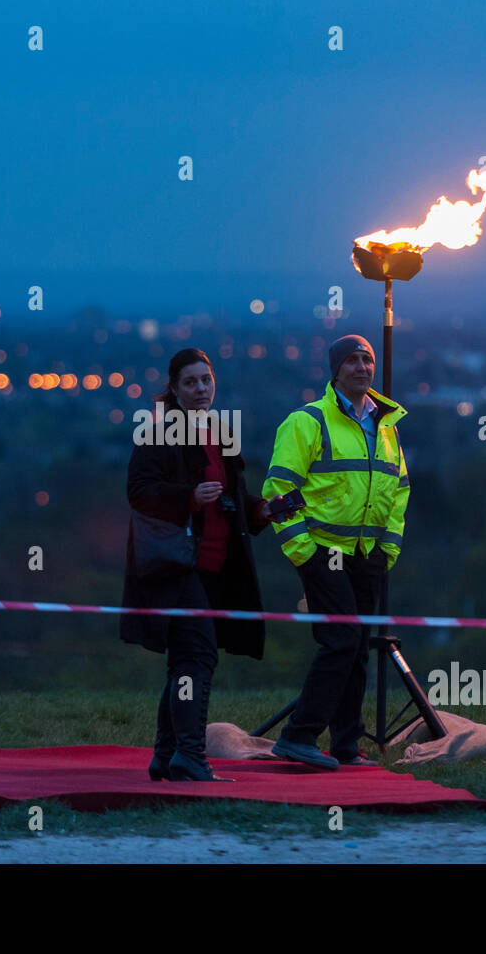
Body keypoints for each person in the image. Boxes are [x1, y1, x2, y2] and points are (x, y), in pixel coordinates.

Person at [120, 348, 272, 782]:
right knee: (199, 656)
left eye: (206, 379)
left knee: (186, 658)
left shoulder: (220, 432)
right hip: (174, 564)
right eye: (190, 382)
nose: (201, 388)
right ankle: (189, 755)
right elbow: (138, 490)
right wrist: (188, 497)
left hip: (213, 565)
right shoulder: (159, 431)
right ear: (173, 388)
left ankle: (166, 755)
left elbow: (226, 499)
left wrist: (261, 511)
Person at [261, 334, 411, 770]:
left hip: (368, 553)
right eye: (351, 360)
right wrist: (303, 551)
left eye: (367, 359)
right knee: (341, 639)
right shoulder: (307, 421)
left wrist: (388, 549)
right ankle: (298, 735)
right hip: (323, 550)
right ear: (335, 370)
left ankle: (347, 745)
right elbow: (279, 491)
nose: (362, 367)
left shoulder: (386, 426)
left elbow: (399, 489)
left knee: (358, 647)